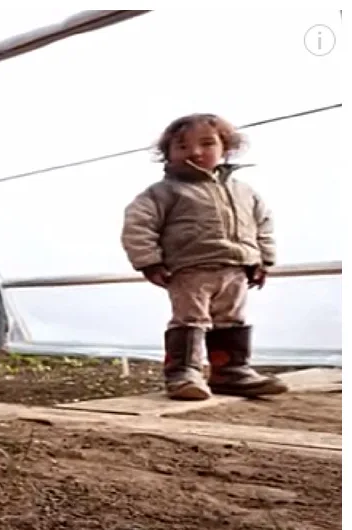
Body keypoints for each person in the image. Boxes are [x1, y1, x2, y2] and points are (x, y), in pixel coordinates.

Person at [121, 113, 287, 401]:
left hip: (236, 268)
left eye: (207, 143)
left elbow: (263, 224)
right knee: (190, 320)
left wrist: (264, 260)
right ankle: (183, 374)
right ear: (168, 154)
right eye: (182, 147)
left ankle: (231, 371)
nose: (195, 152)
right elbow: (138, 225)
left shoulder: (245, 192)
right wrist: (149, 261)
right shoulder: (163, 192)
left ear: (226, 147)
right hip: (189, 269)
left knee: (231, 319)